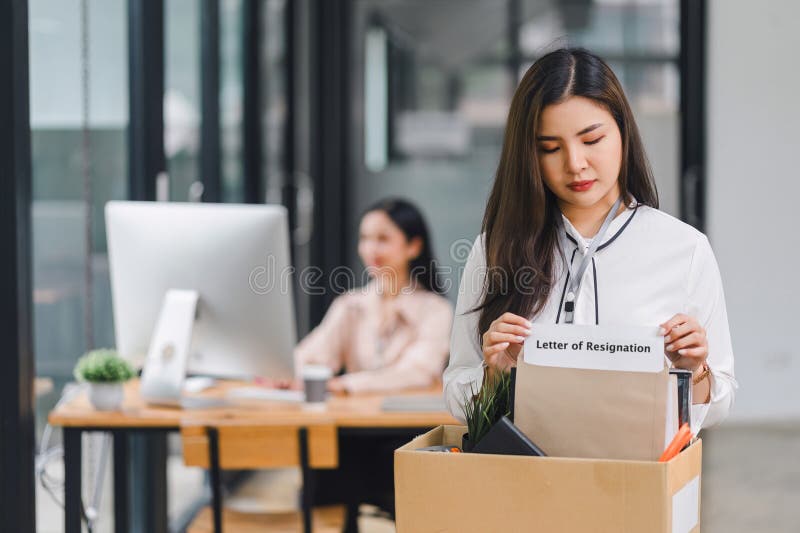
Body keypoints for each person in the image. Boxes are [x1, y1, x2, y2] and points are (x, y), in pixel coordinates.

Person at [443, 48, 736, 433]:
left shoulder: (685, 249)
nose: (575, 163)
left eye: (592, 139)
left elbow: (720, 402)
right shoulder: (495, 247)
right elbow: (455, 393)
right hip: (526, 483)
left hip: (635, 484)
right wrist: (494, 375)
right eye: (550, 148)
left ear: (622, 133)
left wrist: (694, 371)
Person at [294, 197, 453, 393]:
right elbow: (311, 357)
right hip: (354, 416)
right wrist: (288, 374)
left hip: (411, 421)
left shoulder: (436, 310)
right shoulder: (350, 304)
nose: (370, 249)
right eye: (365, 238)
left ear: (414, 246)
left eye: (383, 239)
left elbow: (418, 373)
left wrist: (346, 384)